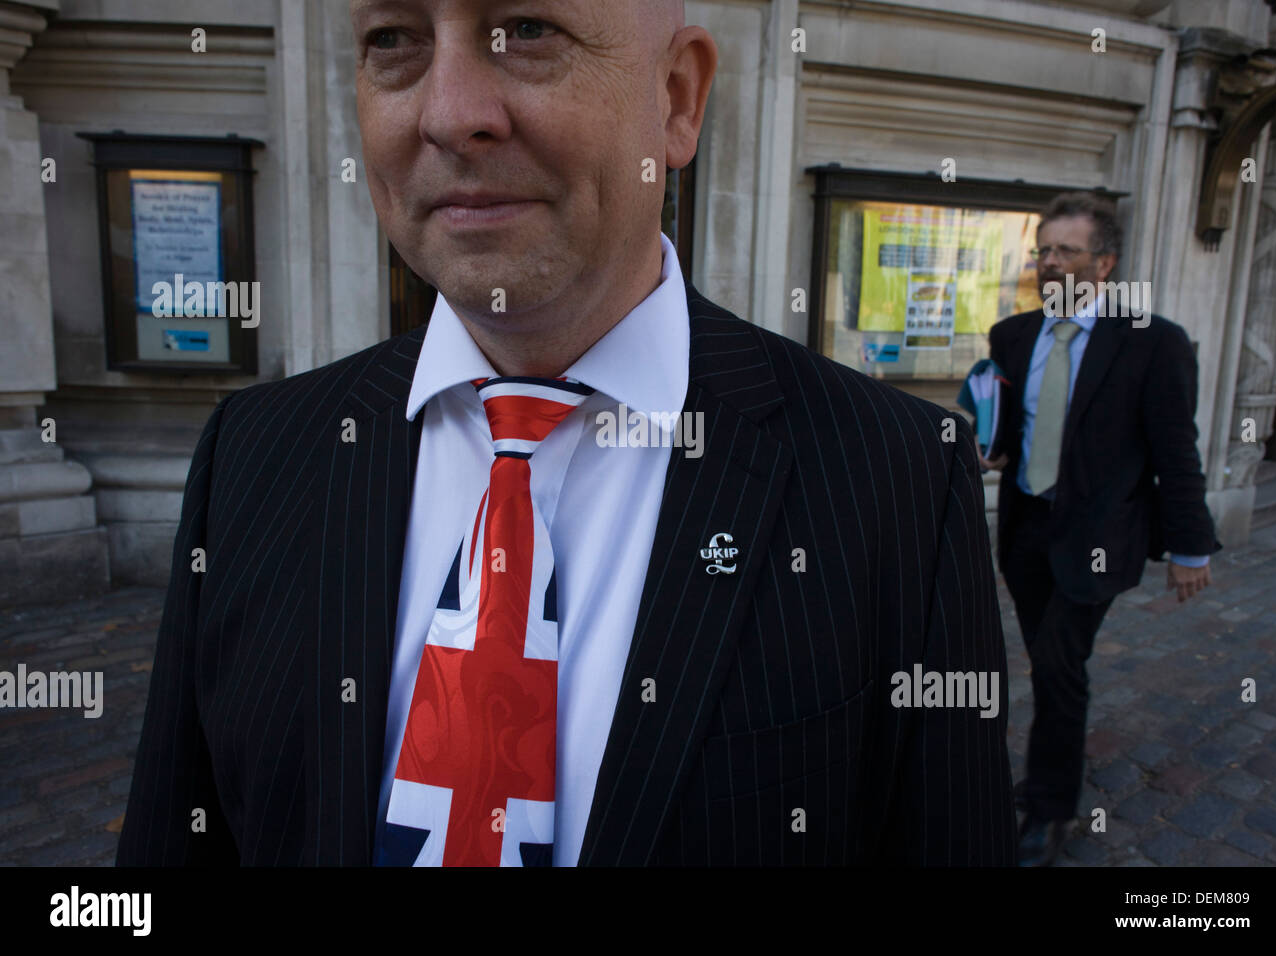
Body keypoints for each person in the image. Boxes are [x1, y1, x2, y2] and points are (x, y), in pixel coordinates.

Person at [116, 0, 1014, 867]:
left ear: (677, 98)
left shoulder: (893, 473)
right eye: (394, 38)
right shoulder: (254, 448)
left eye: (528, 30)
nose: (449, 113)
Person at [981, 192, 1219, 866]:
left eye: (1067, 252)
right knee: (1050, 656)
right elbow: (1010, 424)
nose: (1050, 263)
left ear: (1105, 264)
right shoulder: (1013, 334)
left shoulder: (1153, 342)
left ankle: (1048, 806)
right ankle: (1050, 773)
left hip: (1099, 538)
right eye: (1044, 251)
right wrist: (991, 446)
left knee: (1060, 664)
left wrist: (1190, 542)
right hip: (1026, 531)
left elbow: (1177, 448)